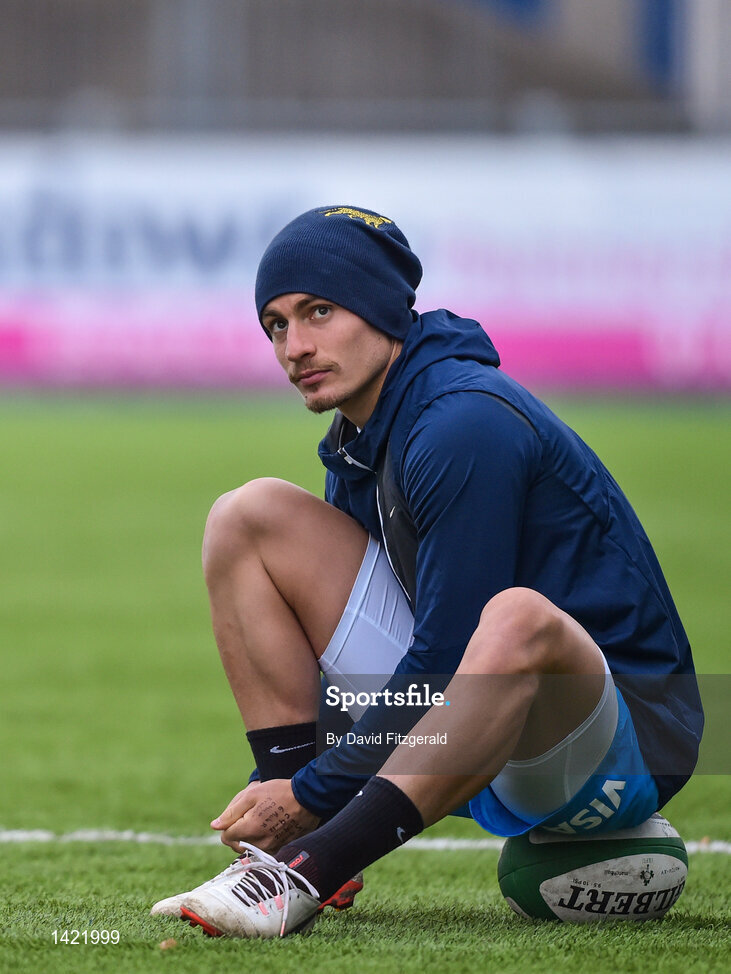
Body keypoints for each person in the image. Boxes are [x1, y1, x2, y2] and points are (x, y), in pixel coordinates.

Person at [150, 204, 703, 939]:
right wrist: (291, 784)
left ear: (380, 308)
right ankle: (275, 844)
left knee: (515, 616)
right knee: (246, 518)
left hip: (619, 743)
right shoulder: (359, 432)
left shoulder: (460, 423)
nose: (294, 346)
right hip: (475, 722)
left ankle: (306, 868)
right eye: (276, 324)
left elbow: (446, 656)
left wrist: (318, 793)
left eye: (318, 311)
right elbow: (407, 660)